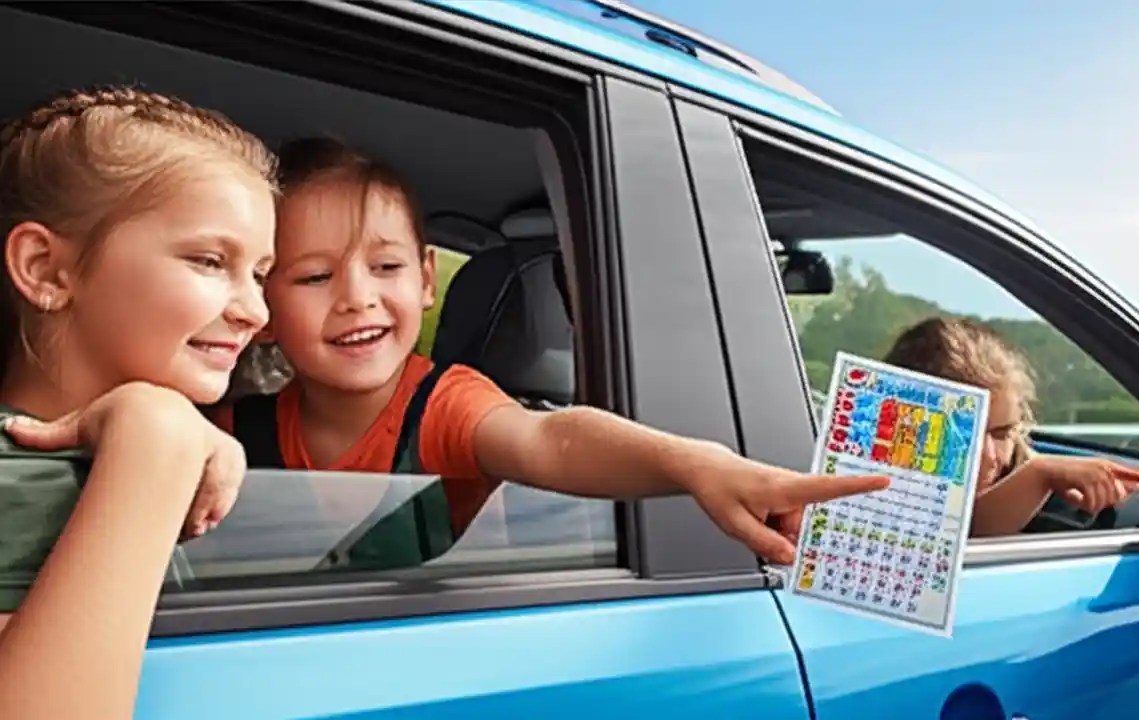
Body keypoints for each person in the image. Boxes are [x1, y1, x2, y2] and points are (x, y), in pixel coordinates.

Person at [217, 136, 890, 567]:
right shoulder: (228, 429)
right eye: (315, 277)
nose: (357, 298)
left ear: (425, 280)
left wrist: (695, 465)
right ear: (260, 302)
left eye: (385, 267)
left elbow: (551, 440)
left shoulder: (444, 406)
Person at [0, 86, 277, 719]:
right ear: (45, 269)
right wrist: (156, 435)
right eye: (210, 261)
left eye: (259, 274)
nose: (257, 311)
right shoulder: (19, 478)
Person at [883, 317, 1139, 537]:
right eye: (963, 433)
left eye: (1002, 433)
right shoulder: (869, 493)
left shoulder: (1059, 503)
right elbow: (945, 539)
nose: (989, 456)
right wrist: (1038, 477)